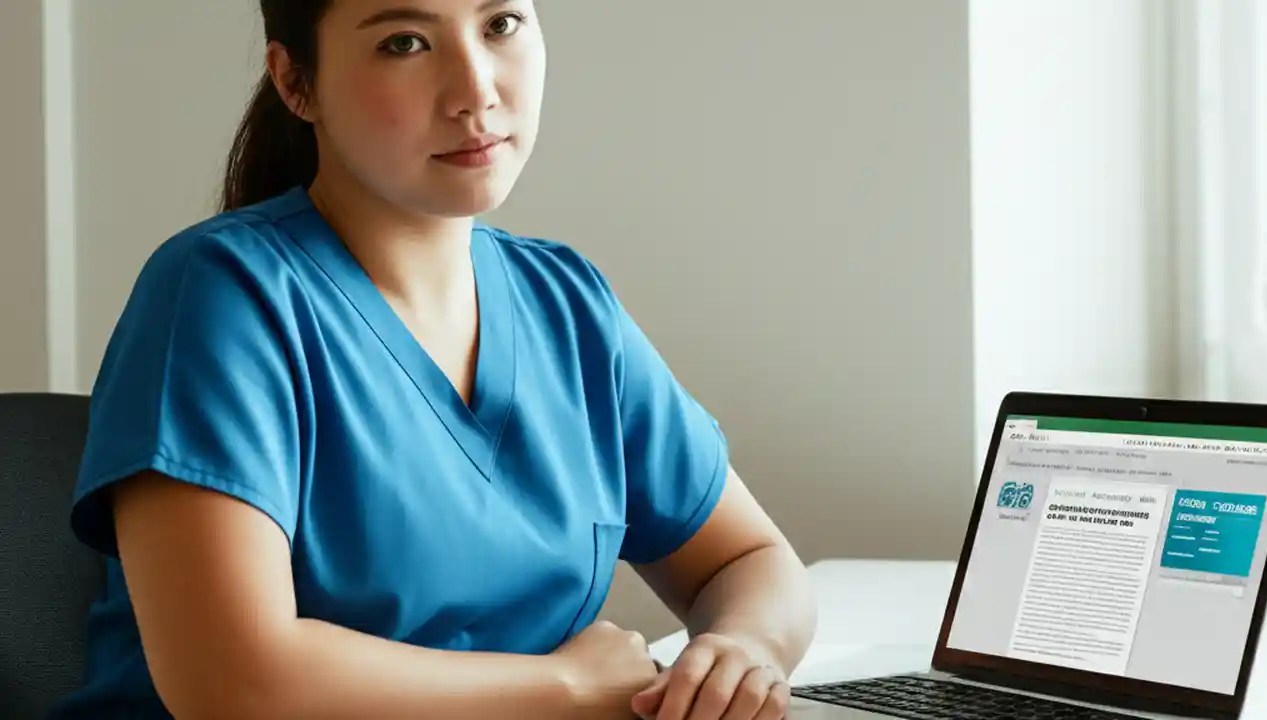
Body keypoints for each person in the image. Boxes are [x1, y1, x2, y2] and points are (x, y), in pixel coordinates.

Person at [51, 1, 816, 718]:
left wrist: (740, 651)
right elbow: (228, 681)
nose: (475, 91)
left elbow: (749, 559)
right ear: (295, 82)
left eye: (502, 23)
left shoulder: (567, 302)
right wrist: (565, 687)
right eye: (404, 43)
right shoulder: (223, 296)